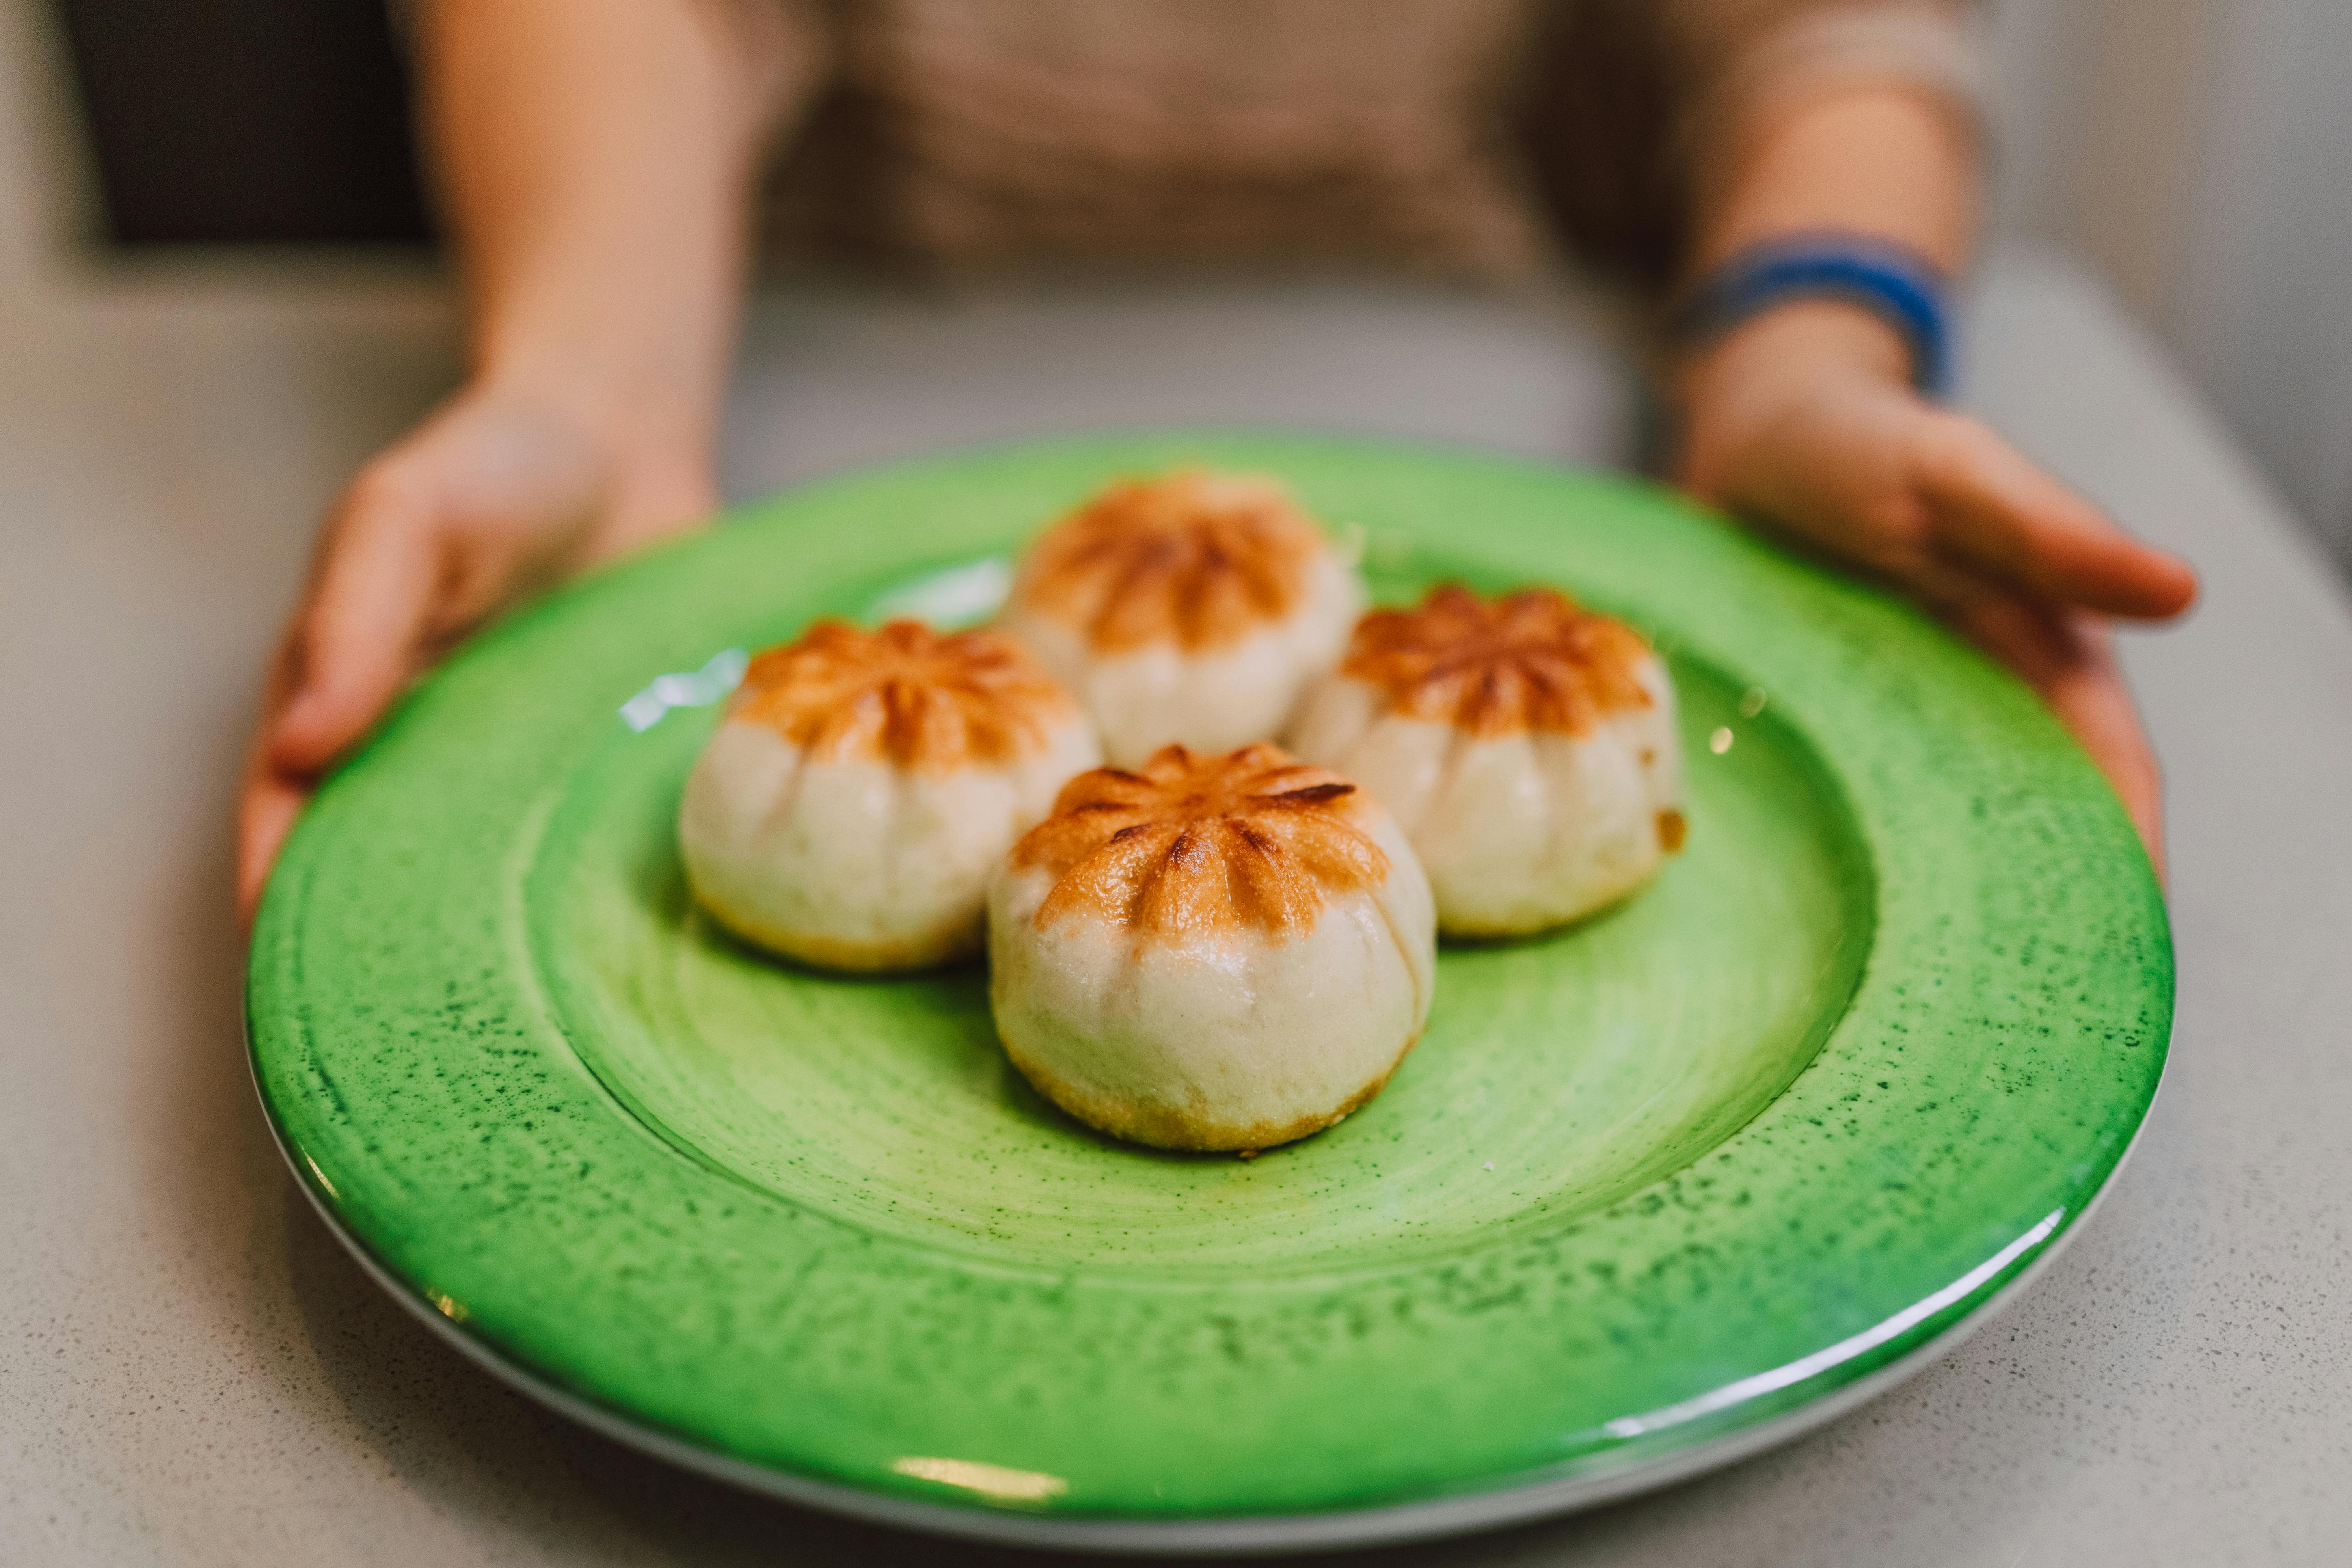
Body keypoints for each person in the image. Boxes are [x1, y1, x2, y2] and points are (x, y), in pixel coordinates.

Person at [236, 0, 2198, 921]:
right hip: (812, 336)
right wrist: (586, 392)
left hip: (1508, 339)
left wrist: (1803, 360)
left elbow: (1822, 36)